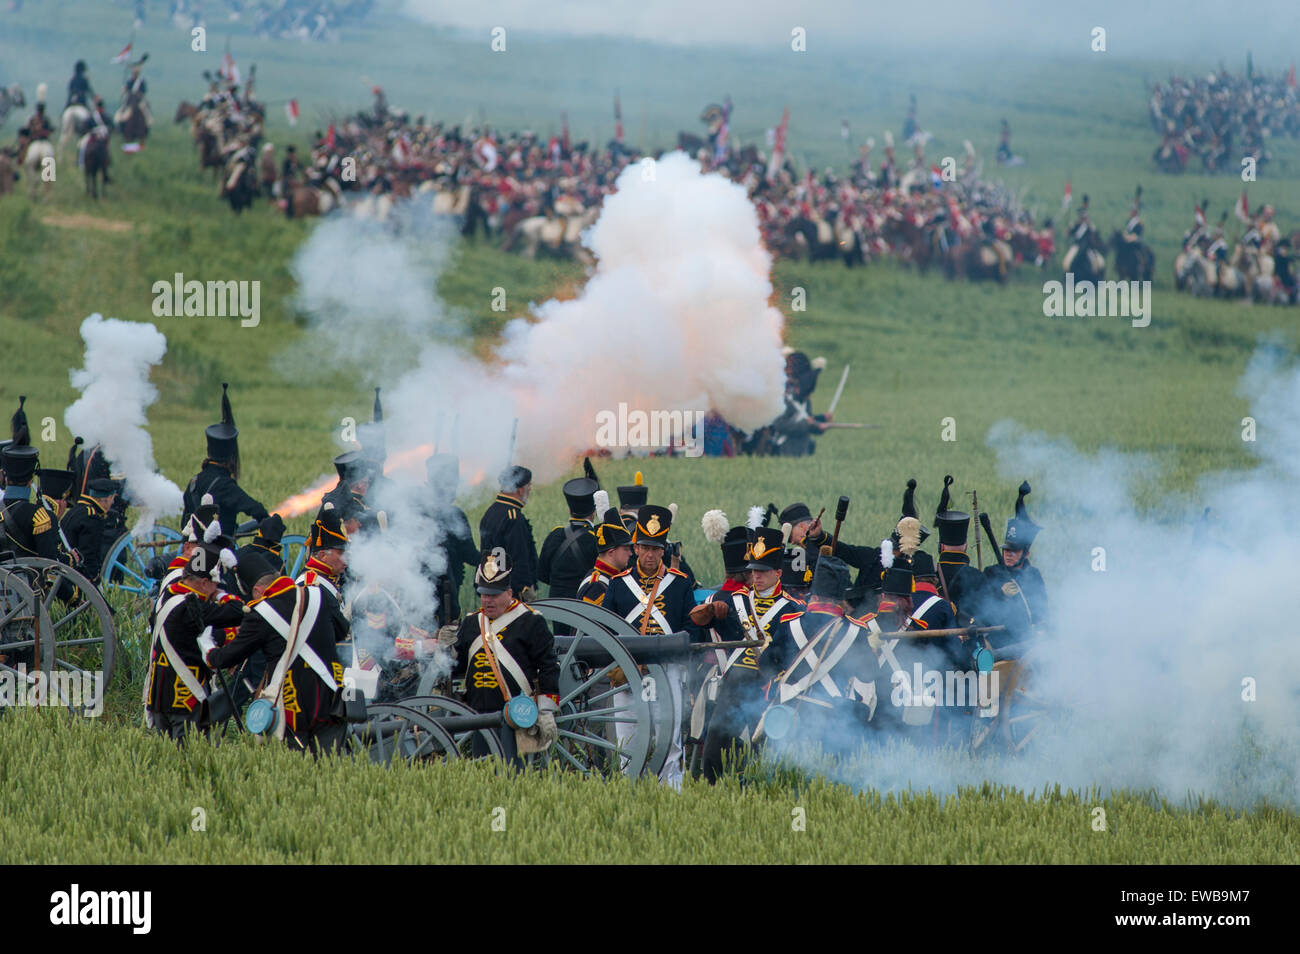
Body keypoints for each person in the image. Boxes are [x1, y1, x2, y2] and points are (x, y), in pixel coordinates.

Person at [204, 544, 352, 756]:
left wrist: (208, 647)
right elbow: (341, 630)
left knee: (296, 772)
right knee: (334, 768)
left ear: (257, 590)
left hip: (294, 706)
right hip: (333, 698)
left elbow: (225, 658)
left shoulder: (260, 614)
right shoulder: (319, 595)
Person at [604, 504, 699, 789]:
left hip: (666, 670)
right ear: (635, 547)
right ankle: (629, 787)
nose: (649, 554)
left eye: (655, 549)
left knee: (669, 740)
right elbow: (607, 627)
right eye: (644, 547)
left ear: (663, 551)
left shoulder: (680, 584)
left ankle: (671, 791)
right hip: (628, 670)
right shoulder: (619, 585)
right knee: (627, 738)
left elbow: (691, 628)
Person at [698, 525, 803, 782]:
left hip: (767, 689)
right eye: (754, 570)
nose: (756, 576)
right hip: (734, 684)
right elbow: (723, 631)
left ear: (778, 572)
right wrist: (713, 616)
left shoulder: (793, 608)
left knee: (764, 757)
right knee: (713, 755)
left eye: (763, 571)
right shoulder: (737, 601)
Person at [449, 553, 560, 763]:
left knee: (514, 774)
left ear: (509, 592)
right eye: (484, 594)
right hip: (478, 715)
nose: (488, 600)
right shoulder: (473, 623)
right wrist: (446, 648)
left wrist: (546, 710)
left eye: (494, 595)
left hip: (516, 716)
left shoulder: (530, 621)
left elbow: (548, 666)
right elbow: (457, 666)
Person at [144, 531, 244, 743]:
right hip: (185, 698)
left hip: (159, 695)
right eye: (214, 584)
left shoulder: (170, 595)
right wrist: (221, 595)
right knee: (189, 758)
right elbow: (237, 611)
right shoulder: (193, 606)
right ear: (205, 582)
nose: (216, 589)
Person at [181, 383, 268, 536]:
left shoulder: (195, 481)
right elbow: (254, 508)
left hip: (192, 546)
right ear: (230, 456)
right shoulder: (224, 485)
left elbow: (185, 522)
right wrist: (267, 519)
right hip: (218, 550)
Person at [977, 481, 1048, 649]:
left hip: (1026, 641)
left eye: (1014, 551)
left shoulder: (1033, 576)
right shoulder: (991, 573)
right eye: (1006, 550)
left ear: (1026, 553)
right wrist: (1000, 593)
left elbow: (1041, 611)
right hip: (996, 642)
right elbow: (981, 607)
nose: (1008, 554)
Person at [423, 454, 478, 627]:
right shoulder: (454, 515)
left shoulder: (417, 510)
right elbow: (470, 555)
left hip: (418, 591)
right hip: (445, 591)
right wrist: (490, 556)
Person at [478, 465, 538, 599]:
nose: (530, 489)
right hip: (510, 591)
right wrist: (524, 589)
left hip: (492, 586)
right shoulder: (513, 517)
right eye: (529, 486)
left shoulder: (491, 512)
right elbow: (519, 556)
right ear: (520, 489)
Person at [537, 477, 599, 603]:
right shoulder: (596, 538)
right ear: (593, 512)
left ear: (569, 510)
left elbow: (542, 574)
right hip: (584, 602)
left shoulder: (555, 534)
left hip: (556, 604)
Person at [1, 445, 64, 563]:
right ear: (30, 481)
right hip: (30, 580)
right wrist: (71, 559)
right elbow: (51, 564)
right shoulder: (39, 516)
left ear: (6, 479)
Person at [59, 476, 118, 583]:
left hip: (64, 567)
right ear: (106, 498)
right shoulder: (93, 518)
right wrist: (93, 578)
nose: (113, 502)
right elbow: (89, 554)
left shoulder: (77, 510)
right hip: (76, 575)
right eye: (113, 498)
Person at [574, 507, 633, 607]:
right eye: (626, 549)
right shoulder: (596, 586)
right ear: (611, 552)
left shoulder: (611, 578)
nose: (630, 553)